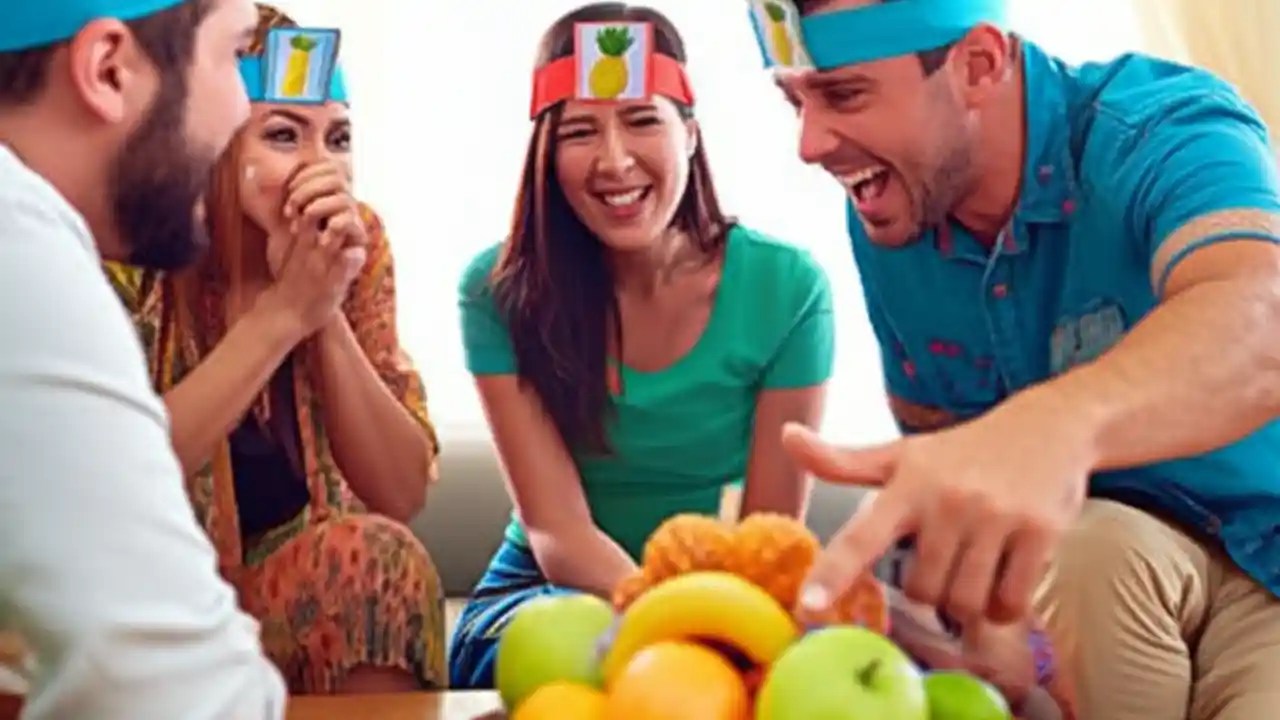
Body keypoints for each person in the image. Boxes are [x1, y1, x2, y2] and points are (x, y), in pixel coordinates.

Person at [744, 1, 1280, 718]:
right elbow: (945, 450)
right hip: (1110, 565)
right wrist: (965, 619)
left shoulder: (1157, 128)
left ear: (978, 64)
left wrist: (1057, 423)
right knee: (1089, 551)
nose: (808, 144)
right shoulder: (895, 216)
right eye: (794, 100)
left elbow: (1261, 318)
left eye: (844, 95)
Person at [449, 2, 835, 689]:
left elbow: (767, 534)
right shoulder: (497, 289)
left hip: (716, 598)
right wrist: (669, 627)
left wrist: (713, 630)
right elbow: (558, 535)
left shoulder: (788, 287)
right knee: (602, 652)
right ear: (545, 151)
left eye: (641, 120)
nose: (614, 161)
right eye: (579, 132)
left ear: (690, 133)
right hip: (542, 601)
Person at [102, 2, 447, 695]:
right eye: (285, 136)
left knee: (380, 560)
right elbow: (113, 478)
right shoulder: (129, 253)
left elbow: (401, 491)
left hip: (294, 596)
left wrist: (322, 307)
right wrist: (282, 314)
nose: (321, 167)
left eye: (340, 138)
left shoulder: (359, 244)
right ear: (211, 142)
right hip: (141, 599)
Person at [0, 0, 291, 718]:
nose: (241, 108)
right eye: (231, 54)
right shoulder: (16, 240)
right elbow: (177, 690)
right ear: (108, 69)